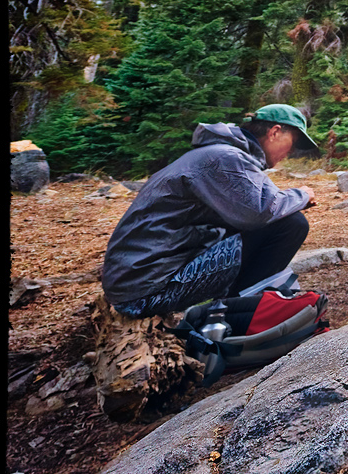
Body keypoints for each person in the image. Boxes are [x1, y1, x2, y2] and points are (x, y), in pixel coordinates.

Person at [101, 104, 320, 319]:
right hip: (146, 293)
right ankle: (238, 318)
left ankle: (247, 306)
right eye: (293, 143)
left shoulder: (217, 155)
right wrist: (302, 195)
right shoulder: (225, 158)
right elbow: (259, 211)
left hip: (136, 283)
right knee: (291, 225)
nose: (291, 152)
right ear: (275, 132)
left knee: (266, 226)